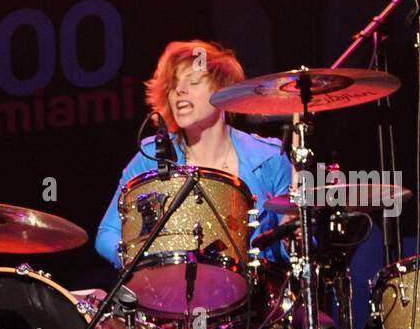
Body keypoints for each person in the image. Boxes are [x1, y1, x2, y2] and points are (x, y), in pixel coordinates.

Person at [95, 39, 292, 269]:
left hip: (255, 299)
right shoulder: (151, 157)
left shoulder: (269, 158)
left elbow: (292, 253)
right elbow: (107, 234)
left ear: (223, 90)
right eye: (173, 85)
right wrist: (146, 262)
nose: (179, 90)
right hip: (171, 297)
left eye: (194, 81)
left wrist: (292, 240)